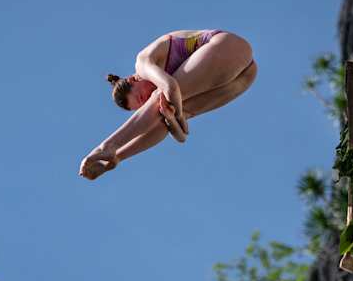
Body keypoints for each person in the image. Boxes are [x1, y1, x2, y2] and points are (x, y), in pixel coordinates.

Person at [79, 29, 257, 181]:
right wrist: (173, 118)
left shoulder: (142, 63)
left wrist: (176, 115)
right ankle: (117, 157)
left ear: (134, 79)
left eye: (142, 96)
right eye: (143, 104)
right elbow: (182, 135)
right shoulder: (174, 93)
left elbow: (169, 86)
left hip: (228, 47)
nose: (147, 98)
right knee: (164, 116)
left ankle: (108, 146)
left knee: (163, 100)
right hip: (246, 76)